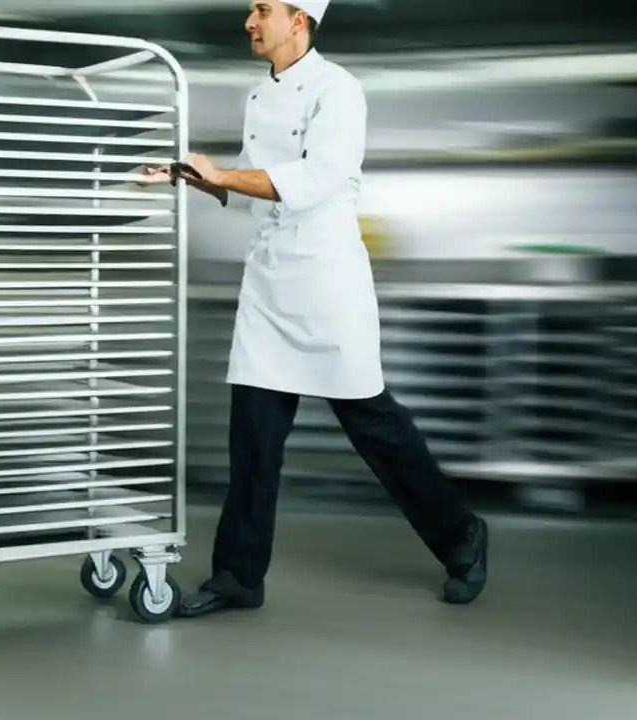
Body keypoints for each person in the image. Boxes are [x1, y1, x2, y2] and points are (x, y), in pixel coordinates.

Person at [139, 0, 489, 618]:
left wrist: (221, 172)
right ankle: (238, 575)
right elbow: (250, 184)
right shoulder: (258, 96)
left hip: (327, 281)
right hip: (271, 281)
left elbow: (313, 178)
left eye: (262, 9)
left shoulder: (339, 91)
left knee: (375, 428)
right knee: (253, 434)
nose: (249, 21)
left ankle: (461, 535)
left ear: (299, 19)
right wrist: (190, 176)